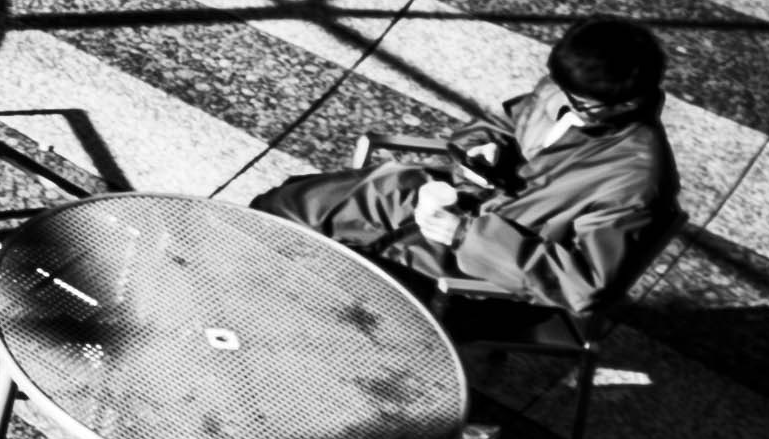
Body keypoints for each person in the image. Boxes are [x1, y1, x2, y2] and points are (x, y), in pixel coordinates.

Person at [252, 16, 679, 323]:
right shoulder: (574, 88)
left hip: (477, 270)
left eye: (580, 105)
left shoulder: (635, 181)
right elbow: (503, 124)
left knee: (329, 281)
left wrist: (465, 235)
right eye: (559, 90)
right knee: (282, 207)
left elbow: (585, 286)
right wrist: (483, 148)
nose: (563, 105)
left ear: (630, 102)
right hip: (455, 201)